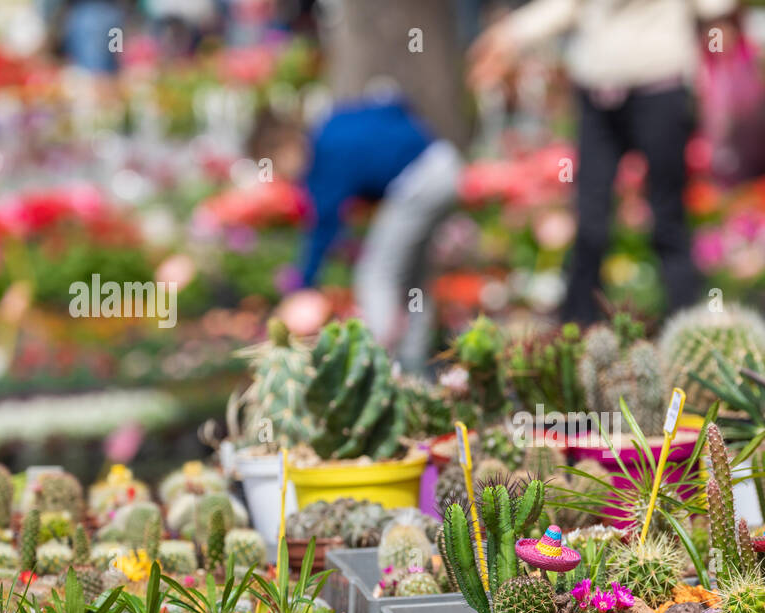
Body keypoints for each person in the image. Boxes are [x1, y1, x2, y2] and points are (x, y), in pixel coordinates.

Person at [469, 0, 737, 326]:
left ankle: (687, 324)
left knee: (668, 219)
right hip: (597, 94)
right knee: (589, 219)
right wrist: (508, 36)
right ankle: (577, 328)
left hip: (660, 89)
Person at [258, 92, 462, 373]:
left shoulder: (323, 155)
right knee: (414, 278)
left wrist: (302, 284)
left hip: (419, 180)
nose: (285, 177)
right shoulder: (332, 126)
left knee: (376, 274)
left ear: (285, 148)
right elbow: (395, 106)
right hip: (443, 163)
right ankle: (416, 368)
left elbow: (323, 227)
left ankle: (379, 368)